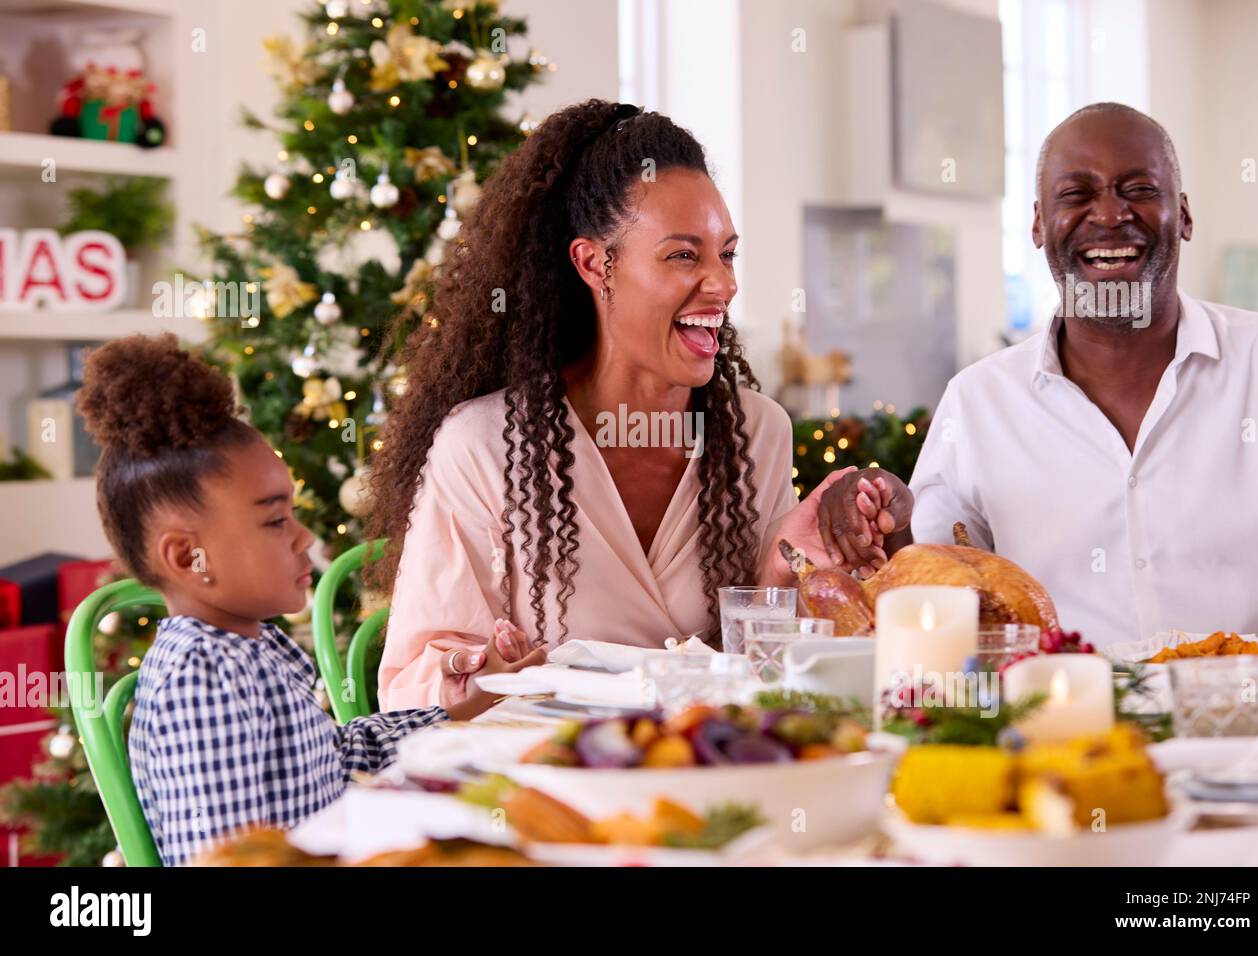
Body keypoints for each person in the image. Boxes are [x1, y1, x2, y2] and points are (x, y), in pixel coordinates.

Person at [367, 100, 851, 711]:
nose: (723, 283)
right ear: (595, 264)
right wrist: (476, 678)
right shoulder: (484, 445)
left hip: (709, 771)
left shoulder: (756, 431)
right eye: (683, 255)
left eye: (726, 254)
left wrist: (786, 570)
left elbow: (768, 675)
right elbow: (411, 687)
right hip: (553, 783)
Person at [818, 103, 1258, 647]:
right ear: (1039, 225)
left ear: (1184, 215)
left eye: (1138, 189)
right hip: (1061, 725)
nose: (1111, 214)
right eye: (1076, 195)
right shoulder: (979, 403)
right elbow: (937, 589)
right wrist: (889, 520)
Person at [76, 334, 541, 865]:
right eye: (275, 520)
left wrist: (467, 708)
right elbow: (235, 858)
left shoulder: (248, 648)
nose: (303, 538)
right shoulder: (200, 678)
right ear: (187, 558)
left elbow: (336, 755)